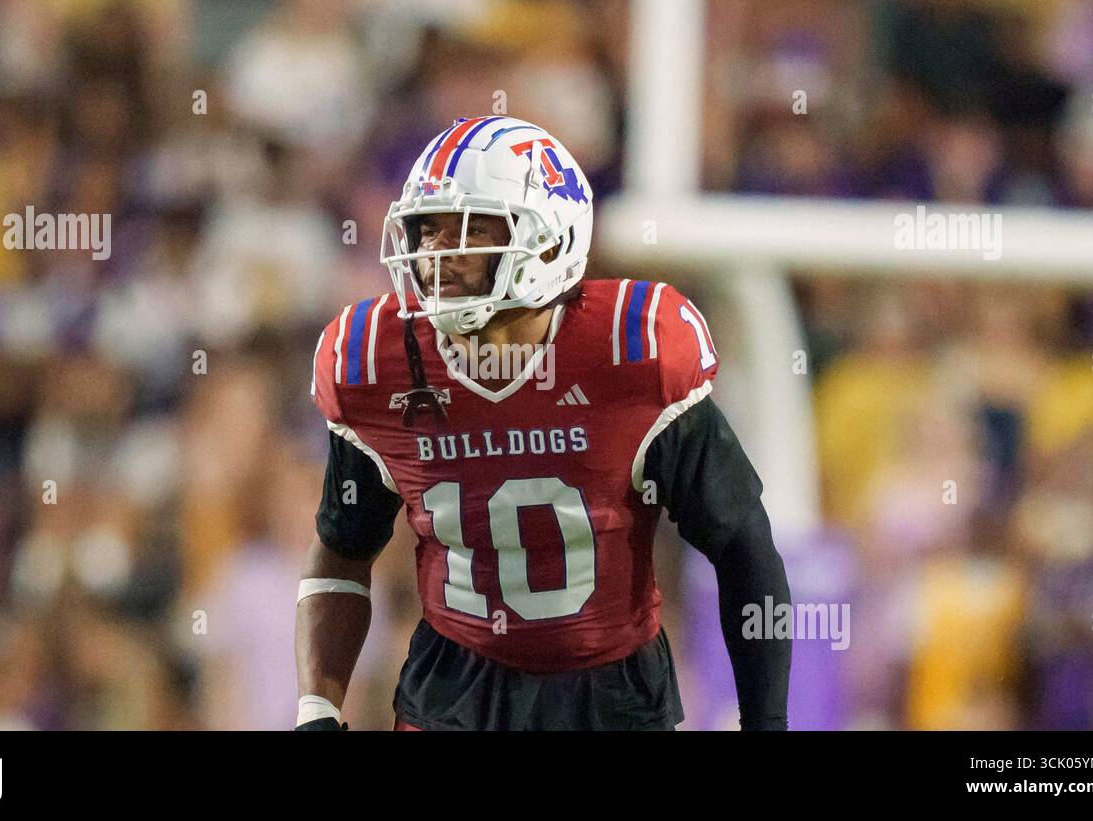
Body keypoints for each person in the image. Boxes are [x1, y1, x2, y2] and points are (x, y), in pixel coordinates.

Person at [296, 116, 791, 730]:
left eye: (469, 229)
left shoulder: (632, 352)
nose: (436, 253)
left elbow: (744, 549)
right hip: (454, 692)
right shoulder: (380, 362)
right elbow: (341, 553)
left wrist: (767, 723)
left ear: (549, 242)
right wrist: (316, 709)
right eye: (427, 228)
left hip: (610, 697)